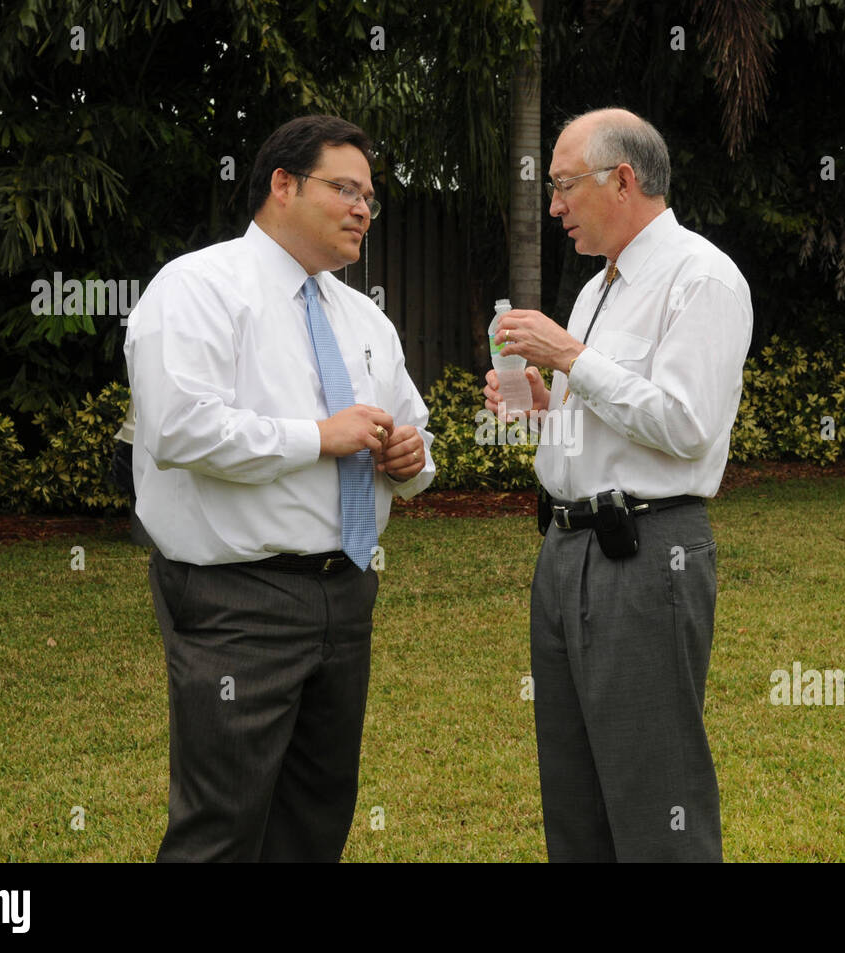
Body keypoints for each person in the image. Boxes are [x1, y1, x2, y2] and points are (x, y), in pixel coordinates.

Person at [124, 114, 434, 862]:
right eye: (345, 188)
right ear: (283, 185)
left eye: (371, 197)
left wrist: (411, 458)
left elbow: (417, 442)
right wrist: (317, 437)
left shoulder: (365, 319)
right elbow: (179, 429)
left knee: (315, 819)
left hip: (347, 590)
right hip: (237, 598)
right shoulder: (197, 288)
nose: (363, 208)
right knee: (222, 827)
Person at [484, 108, 752, 862]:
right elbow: (606, 427)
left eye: (565, 184)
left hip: (646, 552)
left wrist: (571, 357)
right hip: (565, 551)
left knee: (655, 793)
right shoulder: (597, 288)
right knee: (574, 798)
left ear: (624, 179)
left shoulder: (702, 279)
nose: (554, 204)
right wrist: (546, 411)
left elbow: (687, 425)